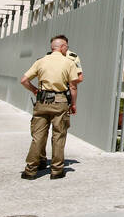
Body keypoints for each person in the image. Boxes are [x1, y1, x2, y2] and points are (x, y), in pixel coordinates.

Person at [19, 36, 83, 180]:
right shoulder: (69, 63)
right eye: (66, 47)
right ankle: (56, 170)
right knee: (59, 136)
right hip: (60, 102)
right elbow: (73, 86)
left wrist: (35, 90)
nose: (67, 49)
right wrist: (73, 104)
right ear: (62, 47)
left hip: (42, 102)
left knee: (38, 137)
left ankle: (30, 171)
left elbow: (24, 80)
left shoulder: (40, 61)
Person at [36, 35, 81, 168]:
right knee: (41, 133)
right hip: (46, 96)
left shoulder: (73, 57)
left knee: (58, 132)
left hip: (63, 95)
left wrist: (62, 79)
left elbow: (79, 78)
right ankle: (42, 159)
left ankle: (55, 164)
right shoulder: (47, 57)